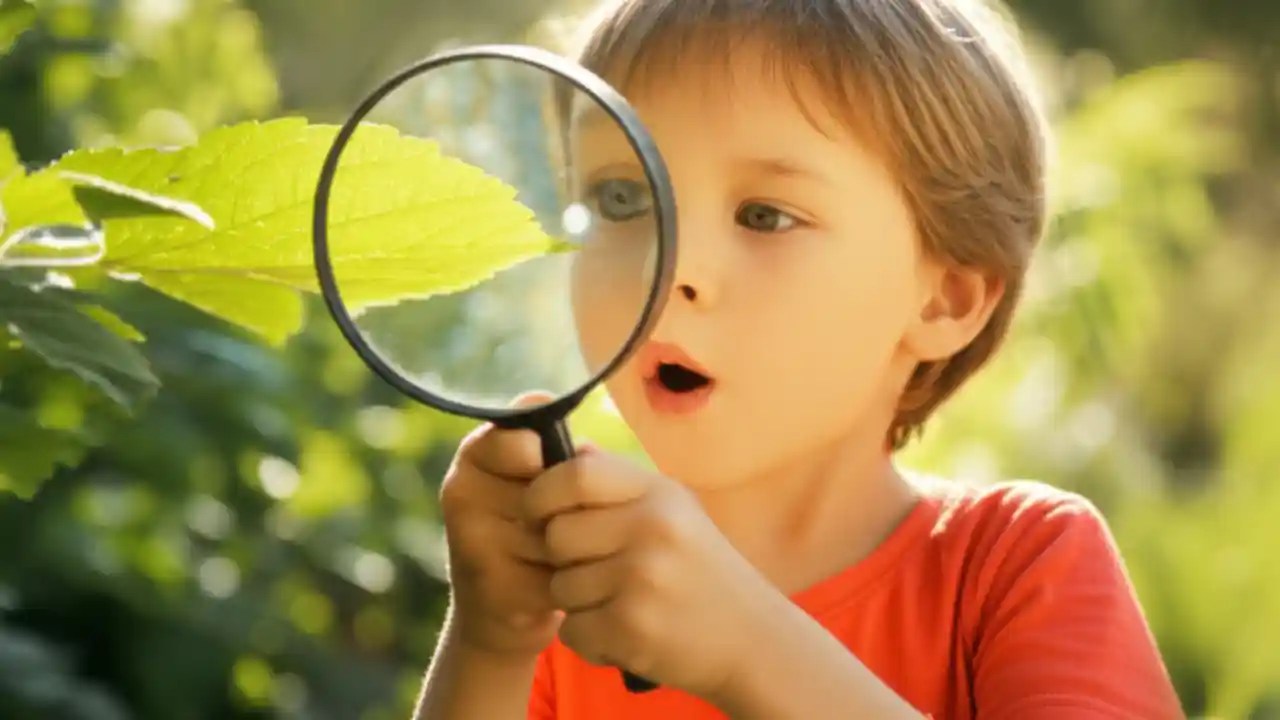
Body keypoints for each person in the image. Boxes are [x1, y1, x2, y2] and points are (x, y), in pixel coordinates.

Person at [413, 0, 1185, 717]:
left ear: (943, 299)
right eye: (622, 198)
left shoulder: (1020, 566)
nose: (673, 266)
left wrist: (749, 647)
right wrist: (491, 646)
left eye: (765, 215)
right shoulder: (569, 611)